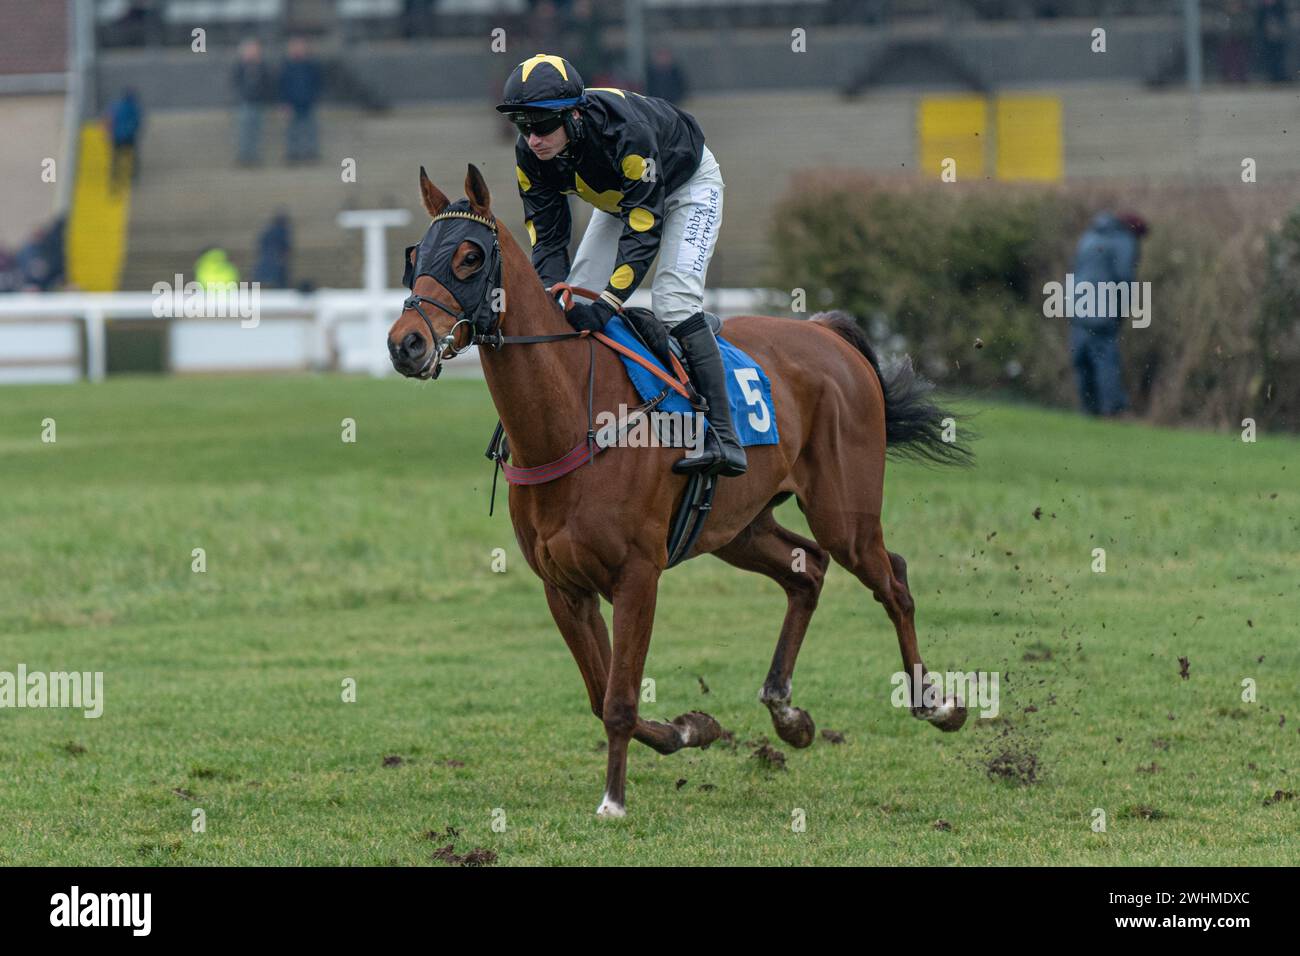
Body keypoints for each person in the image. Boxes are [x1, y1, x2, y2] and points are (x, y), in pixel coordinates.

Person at [497, 53, 744, 477]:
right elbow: (549, 234)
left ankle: (725, 437)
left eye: (541, 125)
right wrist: (554, 292)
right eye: (523, 126)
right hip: (620, 198)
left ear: (574, 115)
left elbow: (644, 227)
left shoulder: (626, 132)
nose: (533, 139)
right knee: (570, 295)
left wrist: (609, 304)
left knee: (673, 301)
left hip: (686, 185)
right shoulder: (531, 154)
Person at [1069, 212, 1147, 417]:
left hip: (1077, 306)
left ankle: (1088, 409)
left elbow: (1076, 270)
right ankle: (1112, 410)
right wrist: (1122, 312)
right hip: (1102, 309)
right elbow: (1124, 279)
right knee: (1105, 360)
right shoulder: (1124, 241)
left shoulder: (1089, 235)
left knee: (1082, 358)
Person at [279, 37, 322, 162]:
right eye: (295, 47)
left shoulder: (311, 66)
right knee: (292, 131)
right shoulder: (286, 67)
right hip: (291, 104)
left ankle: (311, 153)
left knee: (310, 130)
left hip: (308, 103)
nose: (298, 50)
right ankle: (293, 154)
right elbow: (282, 86)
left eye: (300, 47)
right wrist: (284, 103)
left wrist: (314, 97)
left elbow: (317, 83)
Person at [232, 38, 272, 165]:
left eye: (254, 50)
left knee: (256, 131)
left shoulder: (263, 66)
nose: (252, 52)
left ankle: (254, 156)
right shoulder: (240, 66)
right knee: (244, 131)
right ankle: (244, 156)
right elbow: (235, 82)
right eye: (250, 50)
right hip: (245, 103)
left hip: (259, 102)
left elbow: (268, 83)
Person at [106, 88, 143, 191]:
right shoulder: (133, 107)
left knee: (116, 157)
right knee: (132, 156)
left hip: (117, 136)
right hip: (129, 136)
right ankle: (133, 174)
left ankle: (115, 175)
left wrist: (109, 134)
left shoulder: (115, 106)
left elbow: (109, 120)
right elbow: (137, 121)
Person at [253, 211, 292, 288]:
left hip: (267, 259)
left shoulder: (268, 231)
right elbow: (285, 247)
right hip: (276, 260)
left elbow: (260, 244)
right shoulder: (282, 232)